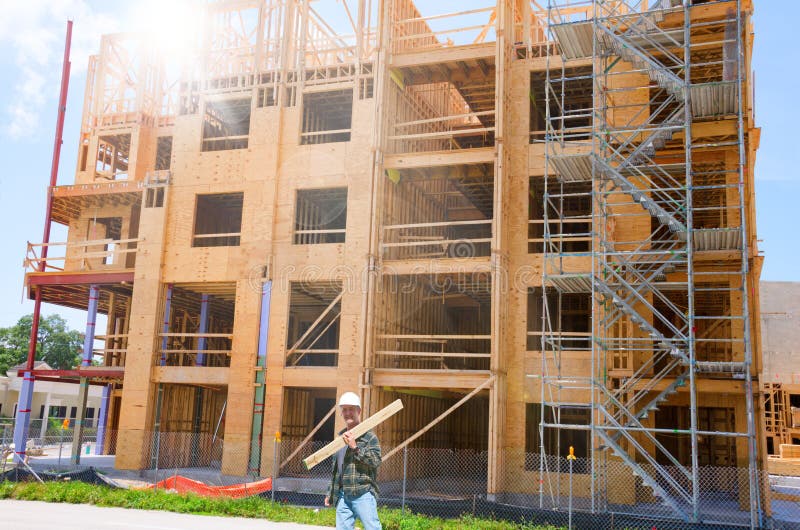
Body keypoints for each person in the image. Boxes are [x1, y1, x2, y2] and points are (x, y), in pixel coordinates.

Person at [324, 391, 382, 530]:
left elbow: (376, 461)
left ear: (359, 411)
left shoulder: (369, 437)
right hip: (343, 496)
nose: (348, 413)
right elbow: (336, 470)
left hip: (363, 494)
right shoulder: (340, 438)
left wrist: (355, 448)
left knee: (373, 528)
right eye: (344, 410)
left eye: (351, 409)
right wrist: (330, 493)